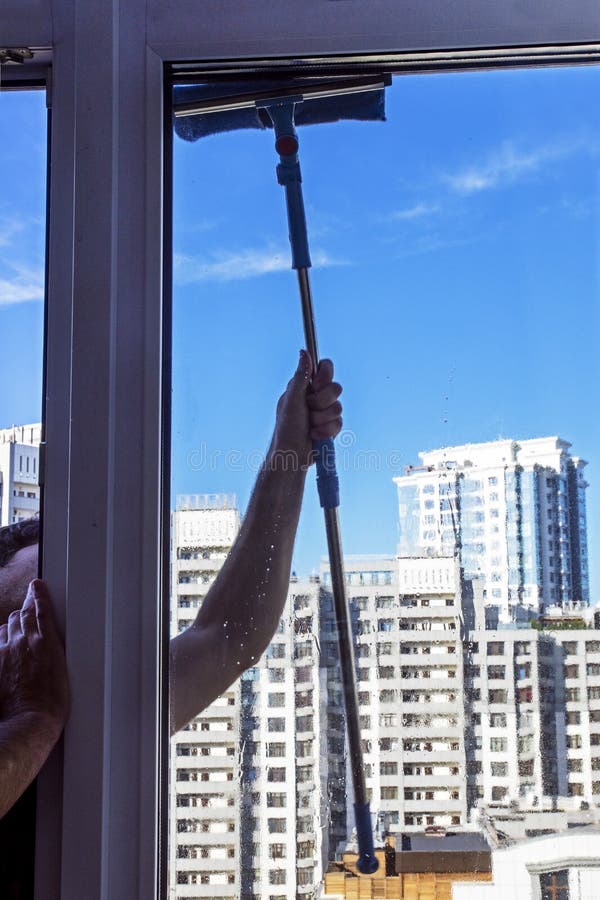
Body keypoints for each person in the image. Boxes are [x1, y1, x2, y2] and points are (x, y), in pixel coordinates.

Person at [0, 350, 343, 818]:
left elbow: (230, 633)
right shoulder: (41, 706)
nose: (74, 592)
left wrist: (290, 452)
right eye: (52, 571)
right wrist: (31, 721)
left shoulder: (88, 702)